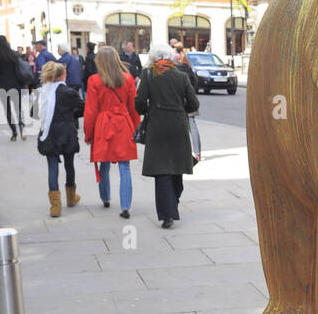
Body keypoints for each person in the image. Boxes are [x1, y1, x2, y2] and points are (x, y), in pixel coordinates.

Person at [134, 44, 199, 228]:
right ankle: (173, 203)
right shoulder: (181, 75)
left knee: (161, 170)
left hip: (158, 126)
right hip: (178, 125)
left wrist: (147, 110)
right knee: (177, 168)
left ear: (154, 58)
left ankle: (167, 214)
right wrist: (180, 110)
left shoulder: (149, 74)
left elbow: (139, 101)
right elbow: (194, 103)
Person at [83, 44, 140, 219]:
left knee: (104, 163)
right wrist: (136, 126)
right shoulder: (128, 78)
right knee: (125, 166)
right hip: (123, 123)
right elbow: (133, 107)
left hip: (103, 124)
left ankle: (105, 198)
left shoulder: (94, 80)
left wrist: (88, 132)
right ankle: (125, 206)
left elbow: (91, 110)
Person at [37, 60, 83, 216]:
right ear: (63, 74)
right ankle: (71, 198)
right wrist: (70, 115)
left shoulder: (43, 92)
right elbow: (82, 108)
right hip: (67, 132)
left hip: (49, 132)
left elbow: (34, 113)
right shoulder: (68, 92)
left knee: (52, 168)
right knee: (69, 165)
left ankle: (55, 206)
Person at [0, 35, 28, 140]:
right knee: (18, 108)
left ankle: (14, 132)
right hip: (16, 85)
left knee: (8, 109)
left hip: (2, 86)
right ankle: (22, 129)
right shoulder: (14, 55)